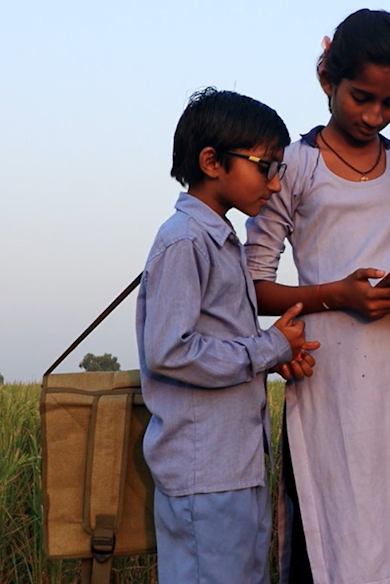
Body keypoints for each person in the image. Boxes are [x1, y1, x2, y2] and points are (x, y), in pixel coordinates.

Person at [245, 9, 390, 584]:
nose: (374, 115)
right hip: (329, 378)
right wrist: (336, 297)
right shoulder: (294, 167)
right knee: (332, 528)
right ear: (327, 80)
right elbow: (252, 285)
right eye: (361, 97)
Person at [137, 88, 318, 584]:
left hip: (233, 469)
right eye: (266, 166)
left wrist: (272, 357)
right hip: (205, 476)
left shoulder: (220, 239)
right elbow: (169, 351)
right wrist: (268, 347)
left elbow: (216, 343)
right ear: (212, 161)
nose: (276, 183)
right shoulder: (184, 241)